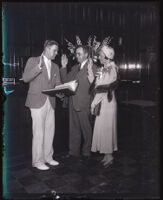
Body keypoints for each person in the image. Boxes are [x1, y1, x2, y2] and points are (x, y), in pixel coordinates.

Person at [23, 40, 61, 170]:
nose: (57, 53)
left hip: (51, 102)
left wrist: (62, 91)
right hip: (37, 102)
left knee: (50, 131)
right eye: (54, 50)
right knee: (38, 133)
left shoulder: (55, 66)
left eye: (57, 51)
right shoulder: (33, 60)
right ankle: (37, 161)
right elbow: (26, 77)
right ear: (46, 48)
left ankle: (48, 157)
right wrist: (38, 68)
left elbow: (57, 85)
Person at [60, 45, 97, 160]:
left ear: (86, 54)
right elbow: (66, 81)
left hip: (84, 102)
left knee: (86, 129)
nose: (76, 56)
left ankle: (86, 152)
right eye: (76, 54)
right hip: (72, 102)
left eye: (79, 53)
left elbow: (95, 85)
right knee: (74, 128)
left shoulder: (93, 67)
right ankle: (73, 152)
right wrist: (64, 66)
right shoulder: (75, 67)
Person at [90, 45, 118, 168]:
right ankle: (107, 155)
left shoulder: (111, 69)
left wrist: (93, 103)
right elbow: (96, 85)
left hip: (107, 102)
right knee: (103, 128)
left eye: (101, 55)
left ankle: (110, 155)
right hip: (104, 102)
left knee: (107, 129)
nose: (99, 57)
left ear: (107, 57)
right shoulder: (105, 68)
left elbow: (103, 90)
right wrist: (91, 72)